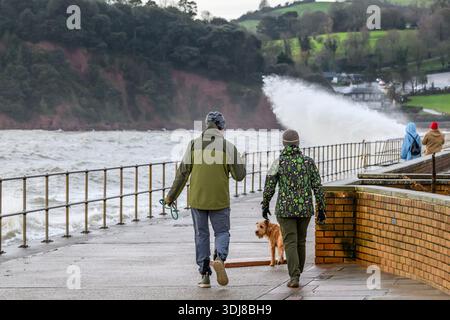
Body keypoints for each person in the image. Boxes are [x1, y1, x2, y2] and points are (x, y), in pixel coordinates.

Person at [164, 111, 246, 288]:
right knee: (222, 232)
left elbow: (182, 174)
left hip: (197, 200)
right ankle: (219, 259)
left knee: (201, 235)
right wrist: (241, 161)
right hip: (220, 200)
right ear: (221, 127)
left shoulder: (194, 145)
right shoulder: (228, 147)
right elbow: (239, 176)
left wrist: (171, 197)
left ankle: (204, 276)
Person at [261, 129, 326, 288]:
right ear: (297, 143)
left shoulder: (278, 162)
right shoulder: (308, 162)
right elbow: (317, 186)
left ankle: (294, 276)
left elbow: (269, 186)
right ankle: (298, 271)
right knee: (301, 241)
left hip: (285, 209)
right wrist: (321, 208)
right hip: (305, 209)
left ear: (284, 144)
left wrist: (265, 204)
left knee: (290, 241)